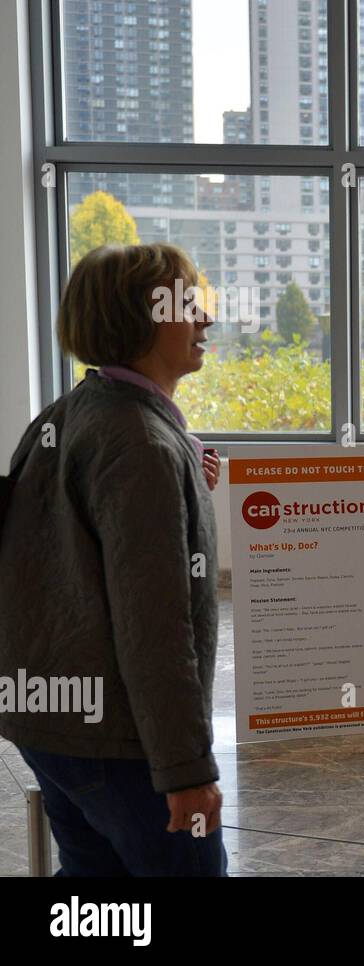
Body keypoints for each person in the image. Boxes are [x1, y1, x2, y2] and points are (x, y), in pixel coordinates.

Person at [0, 243, 226, 875]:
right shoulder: (144, 444)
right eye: (188, 303)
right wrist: (185, 772)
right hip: (122, 745)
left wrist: (180, 479)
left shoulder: (72, 412)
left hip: (55, 727)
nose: (206, 318)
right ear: (143, 319)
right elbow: (154, 624)